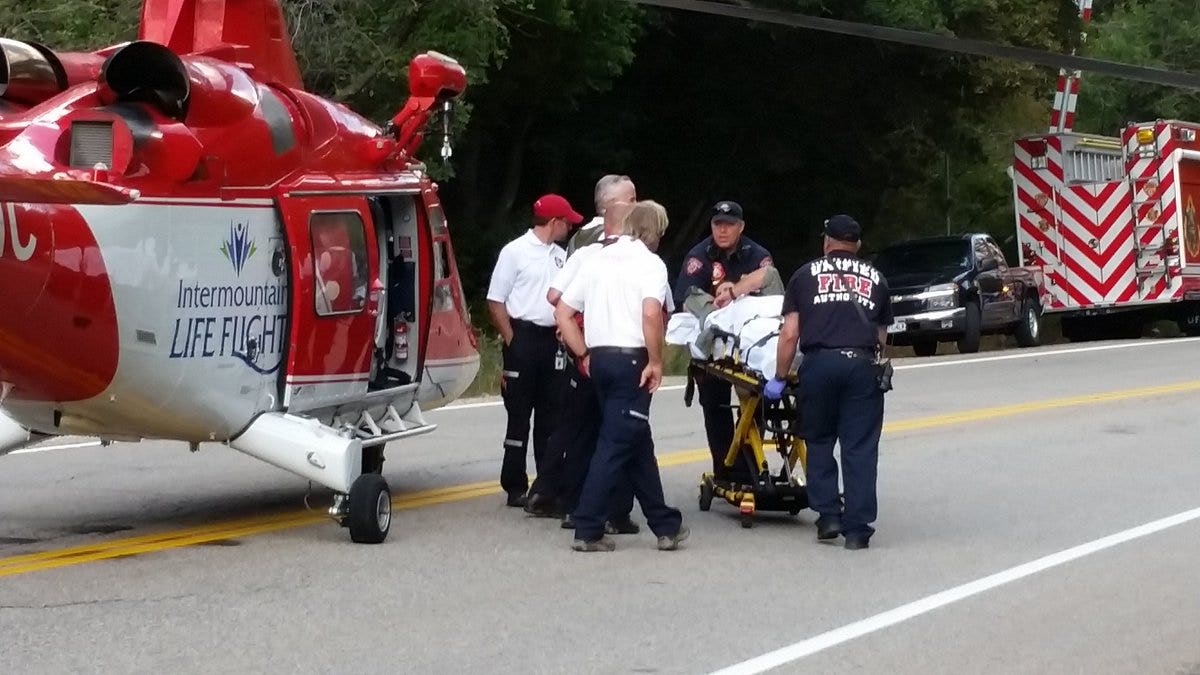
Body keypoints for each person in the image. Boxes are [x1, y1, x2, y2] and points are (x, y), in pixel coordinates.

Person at [555, 201, 689, 552]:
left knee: (637, 442)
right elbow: (650, 315)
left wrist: (582, 353)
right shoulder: (651, 264)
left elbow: (564, 311)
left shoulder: (595, 258)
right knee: (614, 445)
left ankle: (665, 524)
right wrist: (657, 361)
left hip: (599, 359)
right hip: (632, 360)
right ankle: (587, 527)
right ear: (654, 231)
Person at [765, 215, 892, 550]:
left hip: (819, 365)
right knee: (860, 447)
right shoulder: (877, 278)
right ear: (858, 245)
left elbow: (790, 333)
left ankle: (829, 517)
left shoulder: (804, 276)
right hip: (862, 365)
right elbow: (881, 334)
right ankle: (858, 529)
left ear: (826, 242)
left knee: (819, 441)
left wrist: (779, 376)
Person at [525, 176, 639, 535]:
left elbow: (558, 295)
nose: (637, 203)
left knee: (588, 430)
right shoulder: (595, 241)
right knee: (605, 431)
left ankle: (583, 505)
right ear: (609, 207)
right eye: (630, 198)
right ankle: (601, 509)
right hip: (598, 346)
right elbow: (562, 297)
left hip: (592, 346)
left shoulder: (591, 242)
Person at [672, 200, 782, 484]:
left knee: (753, 404)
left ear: (741, 227)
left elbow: (771, 291)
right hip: (714, 333)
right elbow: (686, 298)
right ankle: (724, 468)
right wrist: (716, 303)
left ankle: (747, 469)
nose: (722, 231)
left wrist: (736, 293)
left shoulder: (758, 255)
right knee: (714, 405)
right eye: (717, 225)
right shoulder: (699, 256)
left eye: (729, 225)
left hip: (748, 332)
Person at [486, 193, 582, 507]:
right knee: (518, 415)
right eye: (566, 221)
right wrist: (513, 341)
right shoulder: (514, 252)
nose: (569, 227)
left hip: (553, 339)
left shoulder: (561, 255)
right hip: (523, 336)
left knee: (551, 416)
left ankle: (547, 483)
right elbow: (495, 300)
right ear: (554, 222)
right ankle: (514, 484)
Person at [566, 174, 636, 256]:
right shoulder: (621, 235)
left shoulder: (575, 239)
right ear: (609, 203)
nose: (636, 205)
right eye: (631, 200)